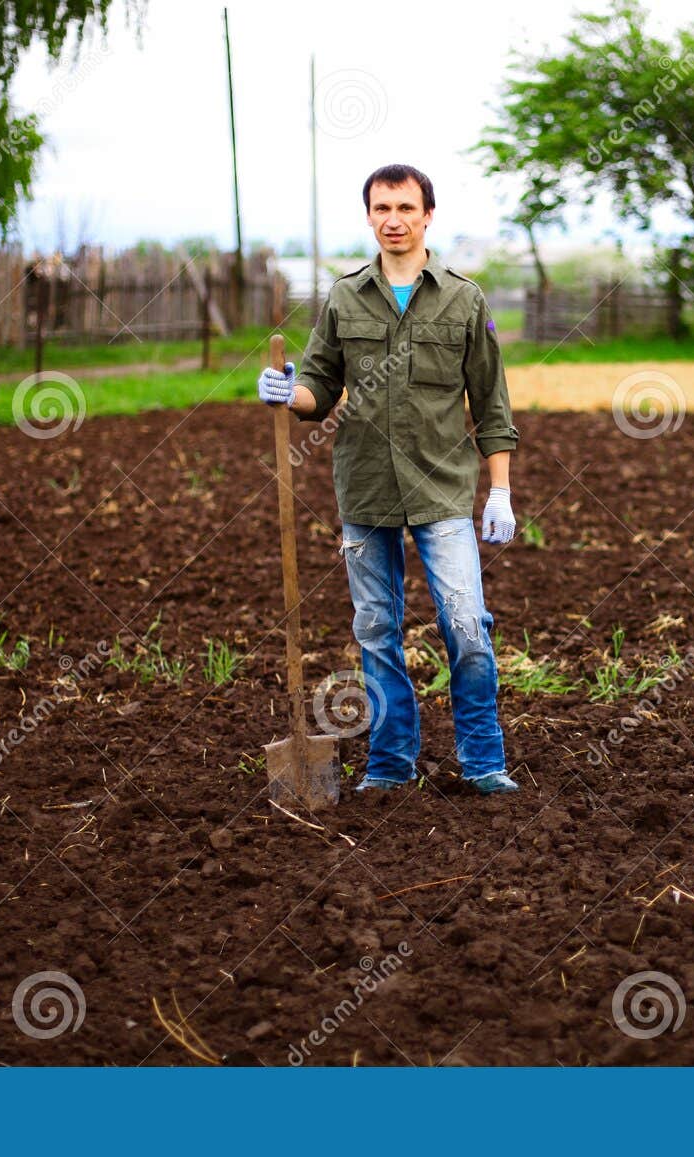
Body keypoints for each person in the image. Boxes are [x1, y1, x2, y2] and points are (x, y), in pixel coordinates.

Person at [256, 163, 521, 795]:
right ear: (369, 216)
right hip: (366, 486)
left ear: (429, 214)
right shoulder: (346, 296)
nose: (393, 220)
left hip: (442, 490)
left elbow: (492, 403)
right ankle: (391, 765)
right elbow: (318, 386)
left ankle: (483, 762)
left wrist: (502, 490)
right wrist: (287, 393)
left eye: (405, 207)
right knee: (376, 631)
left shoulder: (464, 298)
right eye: (381, 209)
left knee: (466, 627)